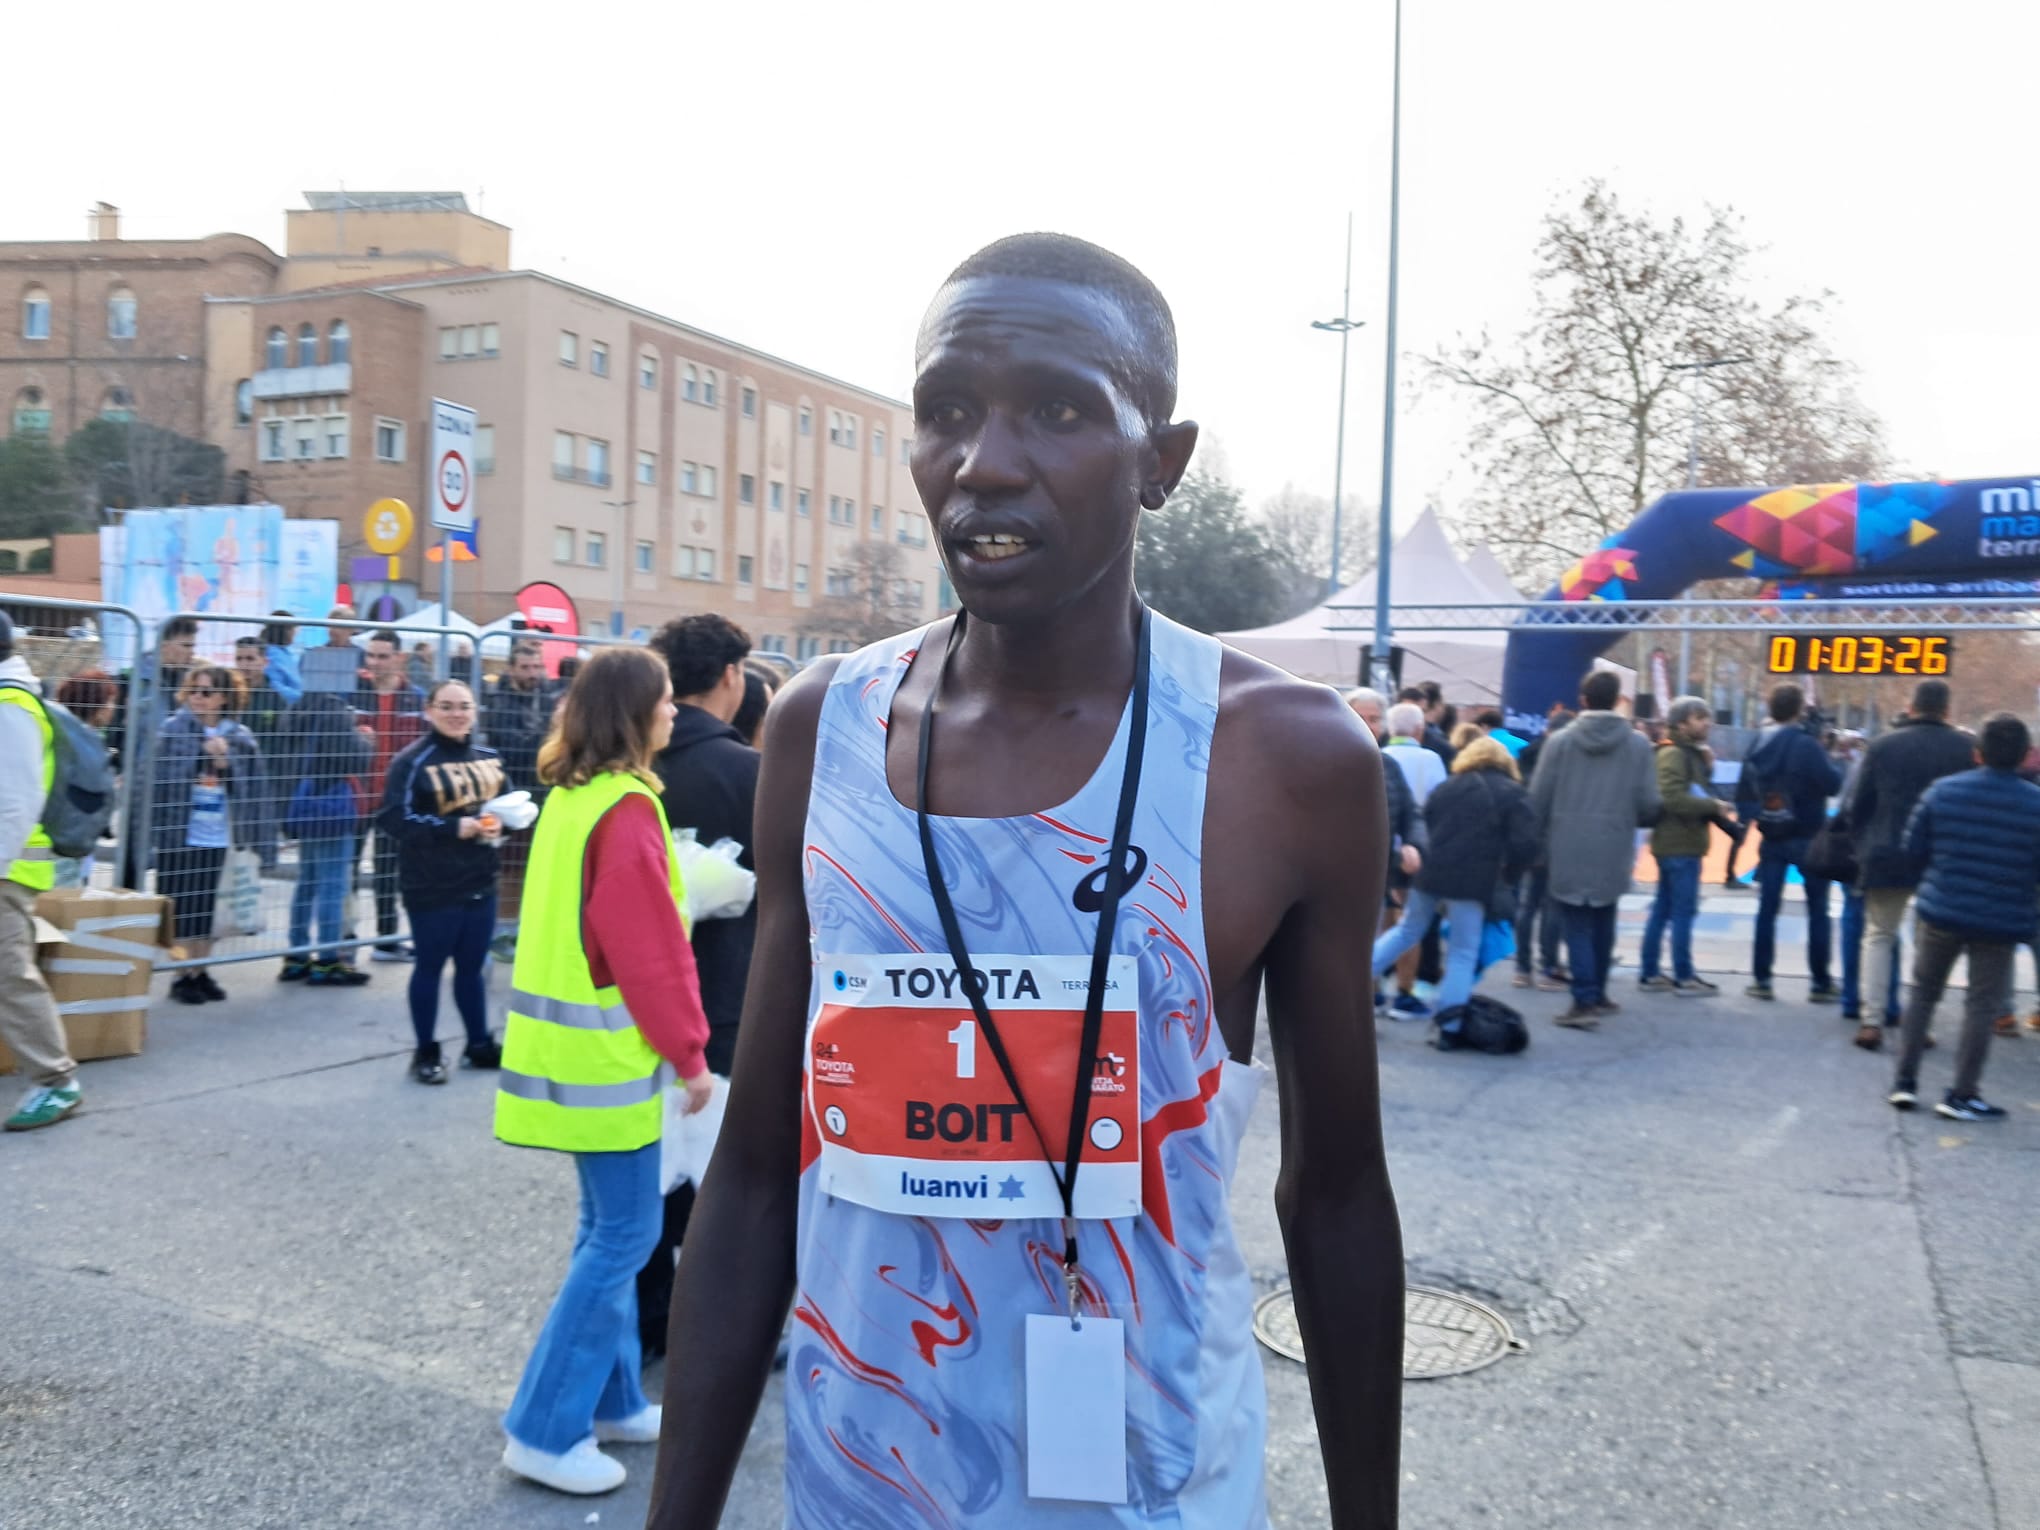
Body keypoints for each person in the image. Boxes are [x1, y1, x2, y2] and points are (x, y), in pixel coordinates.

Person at [645, 233, 1401, 1530]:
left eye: (1056, 409)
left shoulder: (1286, 761)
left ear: (1162, 459)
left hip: (1155, 1484)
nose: (984, 461)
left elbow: (1334, 1194)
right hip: (860, 1484)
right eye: (947, 412)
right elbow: (761, 1168)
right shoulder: (826, 728)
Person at [495, 646, 714, 1496]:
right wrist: (689, 1053)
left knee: (614, 1231)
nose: (673, 712)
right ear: (636, 713)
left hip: (572, 1056)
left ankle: (614, 1399)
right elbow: (651, 951)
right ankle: (544, 1428)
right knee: (625, 1235)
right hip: (613, 1058)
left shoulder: (574, 800)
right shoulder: (626, 809)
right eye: (662, 701)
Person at [637, 613, 764, 1354]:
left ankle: (649, 1310)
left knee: (646, 1160)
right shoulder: (746, 771)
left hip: (631, 997)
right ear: (729, 678)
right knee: (721, 1161)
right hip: (723, 988)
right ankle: (716, 1314)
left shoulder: (627, 768)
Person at [1887, 713, 2040, 1121]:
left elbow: (1913, 848)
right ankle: (1962, 1093)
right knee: (1981, 1005)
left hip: (1941, 910)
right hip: (2000, 919)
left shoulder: (1942, 792)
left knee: (1922, 994)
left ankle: (1904, 1082)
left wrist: (1934, 880)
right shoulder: (2035, 806)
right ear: (2026, 756)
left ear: (1977, 753)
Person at [386, 680, 507, 1084]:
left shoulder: (489, 757)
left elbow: (506, 805)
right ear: (429, 710)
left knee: (473, 969)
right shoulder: (411, 761)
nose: (456, 714)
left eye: (464, 707)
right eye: (447, 706)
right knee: (430, 967)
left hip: (481, 880)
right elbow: (393, 819)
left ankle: (478, 1043)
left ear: (475, 711)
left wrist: (500, 824)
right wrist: (453, 827)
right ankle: (426, 1051)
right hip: (431, 886)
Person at [1844, 679, 1973, 1051]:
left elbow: (1858, 804)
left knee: (1879, 935)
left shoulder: (1883, 746)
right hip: (1941, 858)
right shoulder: (1965, 749)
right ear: (1947, 710)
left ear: (1911, 706)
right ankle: (1921, 1024)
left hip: (1887, 852)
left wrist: (1863, 843)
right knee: (1929, 945)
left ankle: (1872, 1020)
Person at [1528, 670, 1660, 1028]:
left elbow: (1538, 800)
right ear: (1618, 699)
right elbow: (1650, 803)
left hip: (1567, 842)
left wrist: (1534, 846)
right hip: (1614, 843)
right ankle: (1598, 992)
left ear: (1583, 700)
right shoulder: (1637, 744)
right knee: (1604, 918)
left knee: (1577, 924)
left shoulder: (1560, 743)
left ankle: (1584, 999)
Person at [1369, 735, 1538, 1016]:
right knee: (1462, 952)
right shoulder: (1513, 792)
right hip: (1473, 880)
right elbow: (1526, 844)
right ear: (1505, 761)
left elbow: (1424, 822)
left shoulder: (1448, 786)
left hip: (1431, 871)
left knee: (1407, 930)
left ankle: (1354, 982)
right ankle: (1450, 1023)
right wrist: (1509, 875)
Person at [0, 612, 84, 1131]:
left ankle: (56, 1081)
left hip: (7, 870)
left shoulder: (12, 704)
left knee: (11, 974)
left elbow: (16, 801)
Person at [151, 665, 265, 1005]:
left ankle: (200, 970)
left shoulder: (239, 736)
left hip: (217, 833)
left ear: (224, 698)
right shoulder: (174, 729)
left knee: (205, 907)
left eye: (206, 692)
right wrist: (203, 755)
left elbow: (252, 785)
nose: (198, 698)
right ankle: (181, 974)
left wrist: (226, 762)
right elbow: (162, 777)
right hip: (179, 832)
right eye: (194, 690)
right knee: (180, 910)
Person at [1737, 683, 1843, 1002]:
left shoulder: (1757, 743)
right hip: (1807, 833)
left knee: (1767, 909)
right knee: (1817, 910)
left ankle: (1762, 979)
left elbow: (1746, 789)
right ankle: (1820, 982)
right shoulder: (1806, 746)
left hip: (1772, 832)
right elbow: (1832, 783)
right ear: (1798, 710)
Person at [279, 693, 372, 986]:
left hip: (304, 802)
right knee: (333, 886)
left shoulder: (299, 707)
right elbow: (355, 758)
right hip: (330, 806)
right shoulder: (334, 709)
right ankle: (329, 960)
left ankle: (297, 955)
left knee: (306, 883)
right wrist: (365, 739)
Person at [1638, 696, 1727, 997]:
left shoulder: (1686, 753)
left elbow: (1685, 789)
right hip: (1679, 843)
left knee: (1664, 909)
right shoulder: (1674, 754)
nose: (1707, 723)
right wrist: (1712, 805)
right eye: (1700, 718)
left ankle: (1651, 973)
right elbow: (1674, 798)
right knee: (1681, 911)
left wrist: (1707, 769)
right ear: (1681, 723)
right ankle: (1683, 976)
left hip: (1678, 842)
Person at [1347, 687, 1426, 1013]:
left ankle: (1364, 1003)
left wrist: (1415, 844)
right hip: (1339, 881)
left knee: (1370, 943)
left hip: (1379, 878)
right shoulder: (1324, 761)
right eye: (1360, 717)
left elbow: (1412, 813)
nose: (1368, 725)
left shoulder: (1388, 766)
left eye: (1375, 718)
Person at [483, 641, 557, 958]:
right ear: (511, 668)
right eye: (525, 667)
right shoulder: (499, 701)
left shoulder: (548, 697)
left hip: (543, 792)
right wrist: (548, 732)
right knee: (510, 869)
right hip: (510, 795)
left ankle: (527, 929)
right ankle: (504, 931)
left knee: (536, 866)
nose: (532, 673)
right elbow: (514, 746)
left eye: (536, 666)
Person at [354, 630, 424, 962]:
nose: (376, 663)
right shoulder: (353, 694)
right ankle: (343, 937)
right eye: (371, 655)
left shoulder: (415, 698)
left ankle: (386, 939)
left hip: (393, 800)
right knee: (347, 871)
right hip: (355, 796)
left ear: (399, 657)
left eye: (383, 656)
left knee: (387, 873)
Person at [116, 615, 198, 890]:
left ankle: (166, 916)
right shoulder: (136, 678)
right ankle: (128, 907)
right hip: (141, 777)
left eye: (193, 645)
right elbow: (121, 728)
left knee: (174, 852)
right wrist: (122, 769)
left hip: (177, 779)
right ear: (165, 645)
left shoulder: (192, 682)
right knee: (133, 850)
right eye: (185, 645)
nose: (191, 652)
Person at [1379, 699, 1447, 1015]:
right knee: (1410, 925)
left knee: (1381, 925)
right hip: (1414, 853)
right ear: (1419, 729)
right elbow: (1437, 804)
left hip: (1383, 854)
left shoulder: (1382, 757)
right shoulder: (1430, 759)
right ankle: (1405, 991)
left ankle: (1375, 990)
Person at [1512, 708, 1571, 991]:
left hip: (1528, 840)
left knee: (1527, 906)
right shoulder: (1566, 761)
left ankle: (1522, 968)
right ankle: (1549, 966)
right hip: (1556, 840)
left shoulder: (1526, 756)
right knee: (1551, 907)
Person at [51, 670, 118, 888]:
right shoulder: (83, 745)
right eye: (109, 702)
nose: (113, 709)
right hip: (66, 845)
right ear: (95, 705)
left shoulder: (69, 736)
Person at [234, 635, 290, 872]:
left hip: (263, 787)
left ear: (264, 662)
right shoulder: (226, 695)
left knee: (257, 858)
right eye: (239, 659)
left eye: (250, 658)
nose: (244, 664)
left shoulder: (275, 699)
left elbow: (284, 749)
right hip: (231, 784)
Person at [300, 606, 364, 695]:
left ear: (351, 629)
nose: (333, 630)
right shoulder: (316, 654)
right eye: (330, 625)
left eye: (339, 626)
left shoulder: (361, 655)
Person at [261, 613, 303, 704]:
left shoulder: (284, 653)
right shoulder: (271, 654)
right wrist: (301, 698)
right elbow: (274, 686)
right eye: (293, 628)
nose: (296, 633)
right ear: (286, 630)